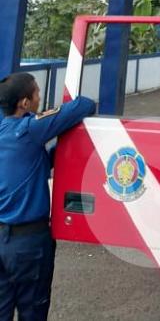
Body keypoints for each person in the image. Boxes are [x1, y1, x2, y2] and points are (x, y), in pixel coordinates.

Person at [0, 72, 95, 320]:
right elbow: (84, 105)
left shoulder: (7, 133)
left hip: (2, 239)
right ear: (24, 102)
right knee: (33, 310)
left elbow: (33, 163)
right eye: (37, 93)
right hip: (28, 243)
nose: (39, 98)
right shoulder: (29, 130)